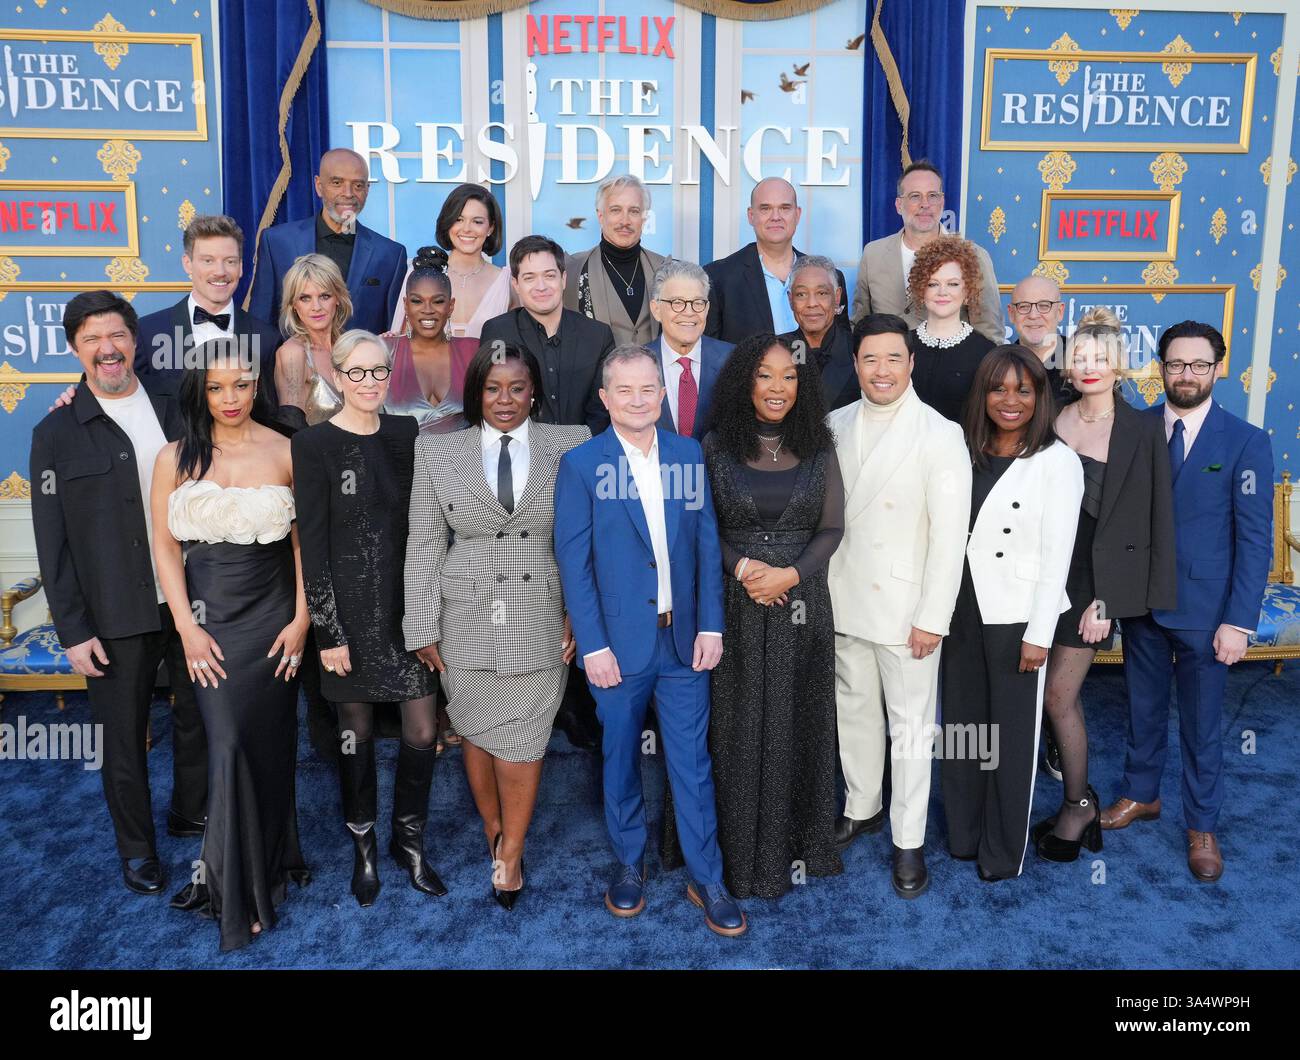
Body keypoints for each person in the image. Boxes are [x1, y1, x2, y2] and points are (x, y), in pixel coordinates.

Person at [554, 344, 747, 937]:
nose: (638, 400)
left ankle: (705, 874)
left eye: (648, 390)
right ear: (606, 398)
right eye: (625, 391)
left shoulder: (688, 455)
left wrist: (711, 623)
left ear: (663, 396)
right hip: (616, 646)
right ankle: (630, 862)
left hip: (683, 641)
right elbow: (575, 562)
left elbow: (706, 546)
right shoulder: (583, 465)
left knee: (692, 762)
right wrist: (592, 646)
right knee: (619, 760)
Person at [29, 290, 208, 897]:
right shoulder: (55, 431)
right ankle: (137, 850)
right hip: (112, 615)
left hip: (189, 601)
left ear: (135, 340)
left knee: (198, 719)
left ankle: (192, 812)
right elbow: (51, 543)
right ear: (75, 348)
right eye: (91, 340)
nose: (107, 350)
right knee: (122, 738)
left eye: (116, 336)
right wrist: (73, 630)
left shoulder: (176, 403)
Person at [404, 343, 588, 909]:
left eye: (517, 388)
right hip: (466, 615)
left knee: (525, 737)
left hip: (542, 611)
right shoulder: (438, 453)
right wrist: (421, 625)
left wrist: (584, 612)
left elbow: (590, 539)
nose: (504, 400)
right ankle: (495, 834)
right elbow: (426, 543)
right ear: (475, 391)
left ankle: (512, 850)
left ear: (535, 390)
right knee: (477, 728)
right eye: (492, 388)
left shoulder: (573, 444)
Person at [660, 333, 844, 899]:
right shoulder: (712, 446)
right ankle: (725, 854)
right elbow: (696, 527)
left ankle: (790, 850)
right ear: (745, 380)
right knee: (730, 729)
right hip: (729, 605)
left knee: (797, 724)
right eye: (765, 375)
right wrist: (744, 570)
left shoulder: (820, 443)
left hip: (801, 603)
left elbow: (832, 527)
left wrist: (789, 575)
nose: (778, 388)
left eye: (789, 376)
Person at [150, 337, 311, 951]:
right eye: (216, 387)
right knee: (230, 743)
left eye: (240, 385)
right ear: (200, 391)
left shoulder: (287, 449)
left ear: (256, 386)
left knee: (268, 744)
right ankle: (234, 887)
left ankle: (267, 863)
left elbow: (304, 549)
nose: (230, 398)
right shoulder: (175, 457)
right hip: (207, 623)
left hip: (274, 618)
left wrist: (302, 622)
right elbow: (164, 548)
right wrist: (187, 628)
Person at [1101, 320, 1273, 883]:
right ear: (1161, 368)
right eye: (1176, 364)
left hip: (1207, 613)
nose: (1187, 374)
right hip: (1142, 602)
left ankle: (1202, 824)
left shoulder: (1246, 441)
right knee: (1141, 709)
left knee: (1201, 725)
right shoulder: (1135, 427)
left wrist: (1239, 622)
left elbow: (1253, 539)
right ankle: (1141, 793)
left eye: (1199, 365)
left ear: (1217, 369)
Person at [291, 330, 449, 908]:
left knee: (424, 732)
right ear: (335, 377)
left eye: (378, 371)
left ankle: (410, 844)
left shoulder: (409, 434)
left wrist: (430, 612)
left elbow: (431, 526)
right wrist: (328, 631)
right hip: (348, 618)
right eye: (355, 372)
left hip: (408, 612)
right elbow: (311, 541)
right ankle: (363, 845)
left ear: (391, 375)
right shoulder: (312, 446)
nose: (367, 383)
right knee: (354, 737)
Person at [827, 313, 971, 898]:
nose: (881, 370)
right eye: (870, 359)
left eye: (893, 358)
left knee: (911, 728)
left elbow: (949, 534)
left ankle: (908, 838)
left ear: (911, 364)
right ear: (856, 364)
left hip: (907, 610)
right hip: (843, 597)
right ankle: (862, 805)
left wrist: (933, 617)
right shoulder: (833, 423)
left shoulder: (941, 433)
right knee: (853, 708)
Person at [1030, 308, 1177, 863]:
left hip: (1092, 589)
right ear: (1068, 365)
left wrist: (1108, 605)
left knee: (1059, 697)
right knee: (1030, 694)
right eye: (1080, 358)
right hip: (1042, 576)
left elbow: (1150, 519)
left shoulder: (1142, 428)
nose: (1089, 367)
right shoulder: (1054, 416)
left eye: (1101, 359)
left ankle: (1077, 804)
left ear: (1119, 366)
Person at [941, 346, 1083, 882]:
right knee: (961, 729)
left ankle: (1002, 851)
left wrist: (1039, 634)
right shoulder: (962, 449)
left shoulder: (1057, 461)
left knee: (1009, 739)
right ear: (983, 393)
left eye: (1024, 389)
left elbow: (1058, 557)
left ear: (1041, 397)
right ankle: (963, 834)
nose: (1011, 400)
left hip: (1017, 617)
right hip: (958, 608)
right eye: (999, 388)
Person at [248, 147, 407, 334]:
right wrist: (256, 363)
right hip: (293, 362)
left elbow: (393, 334)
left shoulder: (390, 254)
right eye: (337, 182)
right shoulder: (276, 242)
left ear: (367, 190)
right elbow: (259, 322)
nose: (348, 193)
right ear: (319, 186)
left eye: (358, 185)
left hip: (362, 363)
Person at [136, 215, 282, 407]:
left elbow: (269, 414)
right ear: (187, 264)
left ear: (240, 267)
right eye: (208, 261)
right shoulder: (148, 332)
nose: (220, 271)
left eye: (230, 261)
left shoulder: (267, 339)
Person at [851, 160, 1003, 342]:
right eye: (915, 196)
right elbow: (860, 325)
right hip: (887, 366)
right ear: (899, 205)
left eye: (932, 196)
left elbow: (989, 331)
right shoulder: (873, 254)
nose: (925, 204)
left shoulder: (973, 255)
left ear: (942, 202)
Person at [478, 235, 615, 433]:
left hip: (583, 452)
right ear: (516, 285)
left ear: (563, 279)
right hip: (522, 453)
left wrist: (578, 451)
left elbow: (602, 409)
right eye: (529, 278)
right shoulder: (498, 332)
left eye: (549, 275)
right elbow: (497, 401)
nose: (541, 286)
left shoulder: (597, 335)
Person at [704, 177, 846, 345]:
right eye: (766, 209)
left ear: (797, 214)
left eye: (785, 208)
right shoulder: (718, 277)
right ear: (751, 216)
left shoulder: (829, 276)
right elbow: (710, 352)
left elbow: (841, 348)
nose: (776, 217)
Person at [390, 183, 512, 347]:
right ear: (448, 223)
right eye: (458, 219)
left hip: (487, 372)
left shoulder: (507, 281)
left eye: (477, 221)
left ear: (490, 228)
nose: (467, 229)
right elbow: (401, 339)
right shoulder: (419, 273)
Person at [564, 174, 666, 346]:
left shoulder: (666, 270)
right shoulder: (572, 270)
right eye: (616, 210)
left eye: (633, 211)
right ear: (601, 216)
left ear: (644, 218)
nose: (624, 221)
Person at [907, 235, 997, 423]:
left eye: (953, 284)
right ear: (921, 291)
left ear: (967, 292)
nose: (942, 292)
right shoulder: (902, 344)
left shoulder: (986, 353)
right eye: (933, 284)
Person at [383, 246, 469, 435]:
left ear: (451, 305)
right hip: (398, 462)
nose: (427, 310)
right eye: (417, 301)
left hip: (461, 463)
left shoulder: (473, 351)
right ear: (405, 305)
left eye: (438, 301)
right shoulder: (384, 351)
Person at [648, 258, 733, 438]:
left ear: (707, 308)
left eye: (698, 302)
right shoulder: (636, 363)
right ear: (656, 310)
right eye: (677, 302)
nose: (689, 312)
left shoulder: (733, 360)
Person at [273, 253, 353, 425]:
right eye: (305, 298)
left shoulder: (351, 348)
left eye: (325, 296)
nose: (316, 307)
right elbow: (290, 427)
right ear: (294, 304)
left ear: (338, 298)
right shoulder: (293, 353)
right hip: (318, 451)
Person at [779, 254, 859, 411]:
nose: (812, 304)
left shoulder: (859, 349)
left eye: (822, 293)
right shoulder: (776, 350)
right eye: (801, 294)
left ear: (837, 297)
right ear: (790, 300)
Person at [1007, 275, 1073, 409]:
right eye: (1024, 306)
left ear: (1060, 311)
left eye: (1044, 306)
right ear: (1011, 314)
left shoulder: (1085, 362)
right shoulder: (998, 365)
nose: (1033, 315)